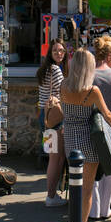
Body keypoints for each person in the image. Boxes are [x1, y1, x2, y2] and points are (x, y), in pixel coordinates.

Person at [58, 48, 111, 222]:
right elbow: (108, 114)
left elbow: (63, 110)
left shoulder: (63, 86)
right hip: (88, 140)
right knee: (87, 189)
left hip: (70, 139)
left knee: (74, 186)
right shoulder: (92, 91)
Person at [88, 37, 111, 222]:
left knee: (94, 165)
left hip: (94, 121)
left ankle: (93, 208)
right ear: (110, 56)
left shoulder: (89, 75)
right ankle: (105, 208)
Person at [38, 40, 68, 207]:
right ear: (50, 53)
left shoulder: (44, 70)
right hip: (55, 118)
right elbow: (64, 92)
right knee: (57, 158)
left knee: (52, 157)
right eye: (56, 51)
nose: (59, 53)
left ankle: (51, 194)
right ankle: (51, 196)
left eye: (62, 51)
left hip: (45, 117)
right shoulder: (56, 70)